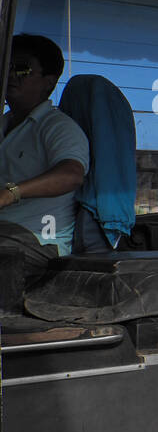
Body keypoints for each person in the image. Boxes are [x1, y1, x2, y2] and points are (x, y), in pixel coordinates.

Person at [0, 34, 90, 285]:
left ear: (48, 82)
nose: (10, 75)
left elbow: (71, 175)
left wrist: (10, 193)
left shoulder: (58, 127)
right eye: (6, 66)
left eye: (21, 68)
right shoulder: (4, 124)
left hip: (39, 242)